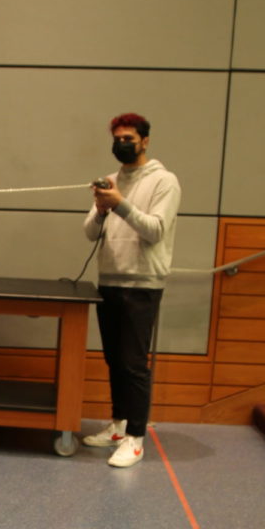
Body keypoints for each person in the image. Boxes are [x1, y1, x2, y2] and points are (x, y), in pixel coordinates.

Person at [82, 112, 181, 467]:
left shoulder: (165, 182)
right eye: (117, 138)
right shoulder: (110, 180)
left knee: (134, 364)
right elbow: (90, 233)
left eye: (129, 138)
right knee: (114, 360)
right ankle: (119, 425)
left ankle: (136, 437)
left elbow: (155, 229)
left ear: (145, 141)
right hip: (109, 281)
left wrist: (120, 204)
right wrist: (100, 208)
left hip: (143, 285)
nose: (122, 143)